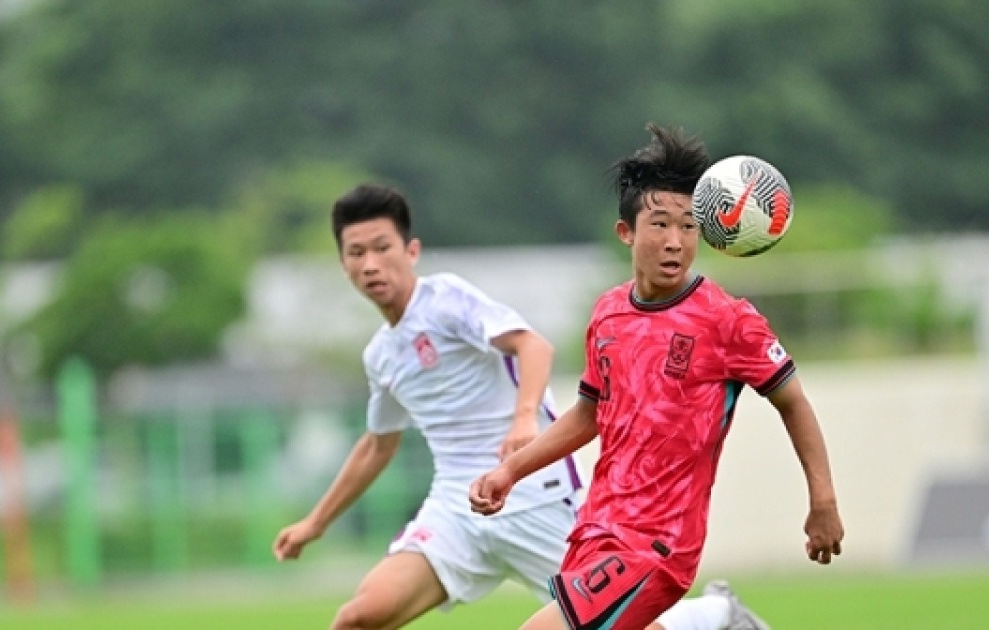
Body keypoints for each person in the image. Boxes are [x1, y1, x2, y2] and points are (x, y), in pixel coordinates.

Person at [273, 183, 767, 630]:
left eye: (382, 248)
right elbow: (377, 446)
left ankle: (713, 615)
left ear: (411, 251)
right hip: (457, 505)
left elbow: (534, 346)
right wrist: (315, 522)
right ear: (343, 264)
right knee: (358, 618)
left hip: (536, 495)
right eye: (357, 253)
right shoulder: (380, 354)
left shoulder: (446, 300)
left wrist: (524, 417)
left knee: (621, 626)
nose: (371, 264)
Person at [470, 124, 845, 630]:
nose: (675, 242)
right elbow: (588, 415)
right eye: (660, 225)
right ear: (626, 232)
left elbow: (793, 402)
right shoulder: (607, 314)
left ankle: (714, 617)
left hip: (660, 543)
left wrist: (822, 501)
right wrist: (510, 472)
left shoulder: (726, 320)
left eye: (689, 227)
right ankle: (721, 619)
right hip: (597, 528)